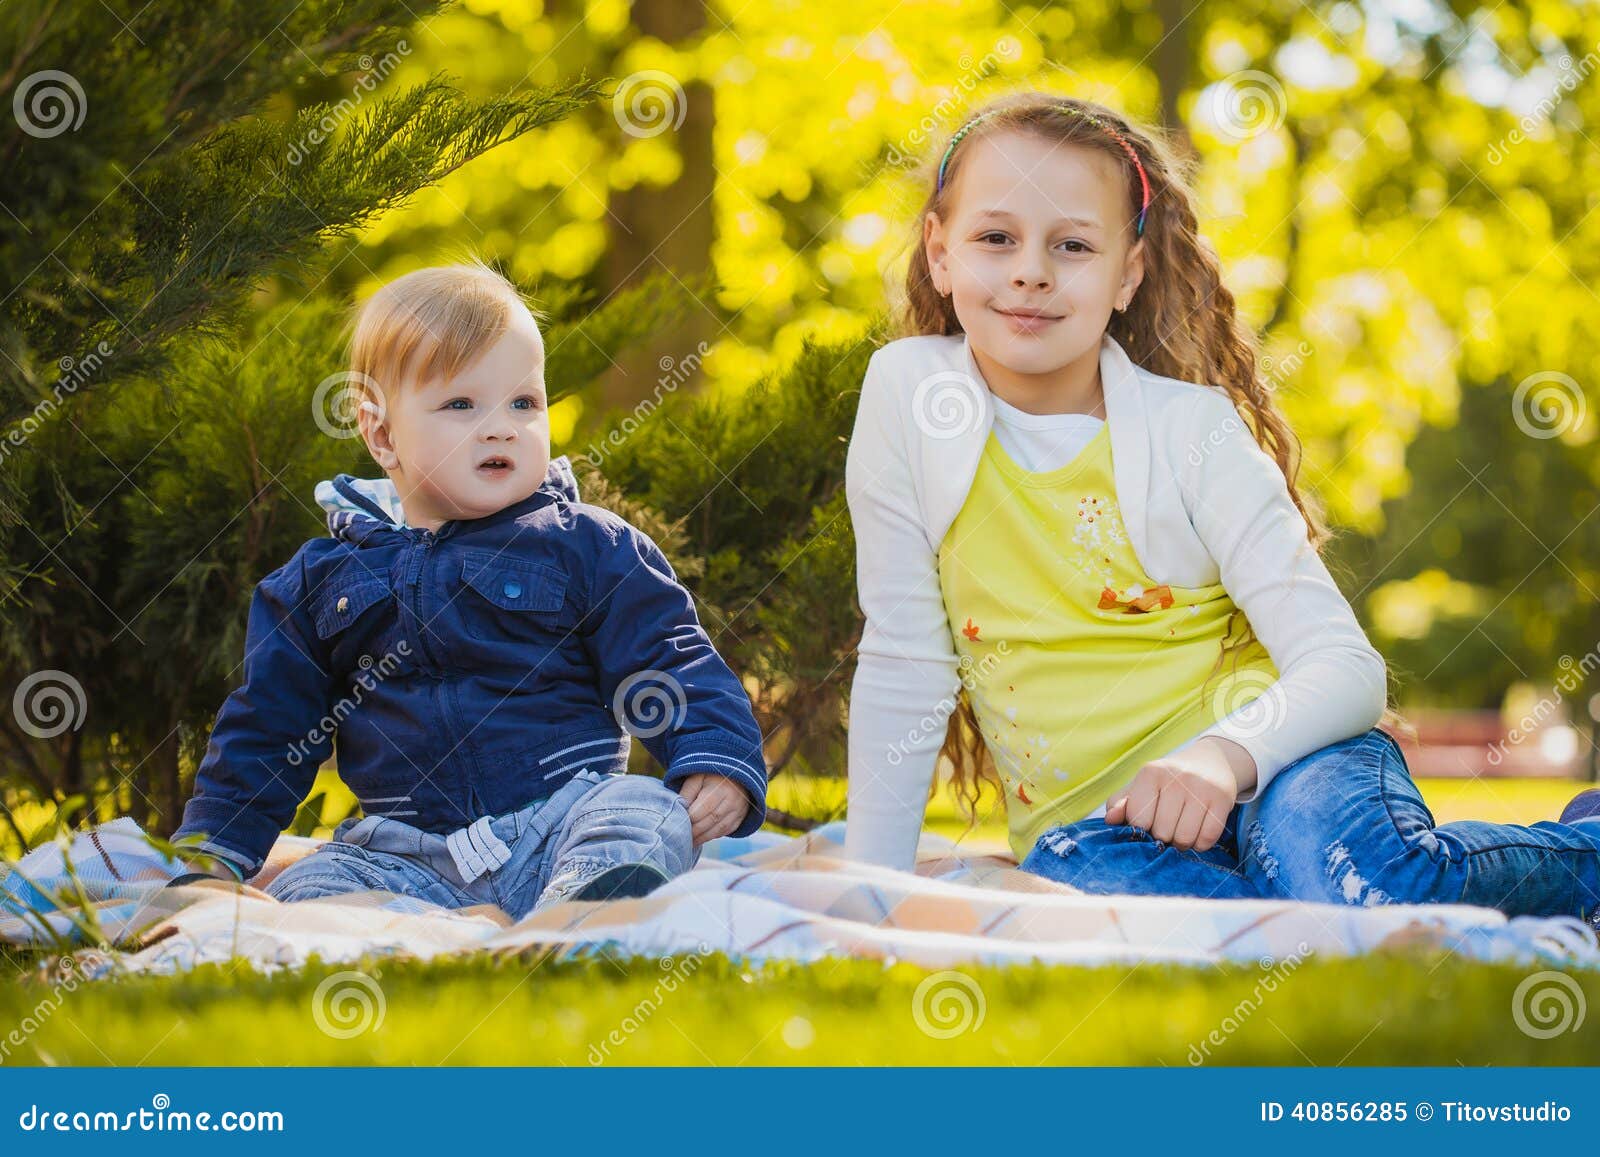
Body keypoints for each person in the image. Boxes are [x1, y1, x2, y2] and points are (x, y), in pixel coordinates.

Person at [842, 93, 1600, 930]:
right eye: (996, 238)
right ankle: (1329, 923)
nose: (1030, 270)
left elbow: (1344, 667)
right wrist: (869, 896)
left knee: (1374, 890)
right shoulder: (908, 395)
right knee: (1102, 894)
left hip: (1282, 765)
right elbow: (906, 661)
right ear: (939, 252)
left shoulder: (1190, 429)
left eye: (1072, 245)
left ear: (1127, 273)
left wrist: (1215, 760)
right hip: (1106, 830)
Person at [170, 260, 767, 917]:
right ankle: (373, 927)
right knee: (315, 885)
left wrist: (716, 755)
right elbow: (266, 724)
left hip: (561, 825)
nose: (500, 425)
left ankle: (588, 903)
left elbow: (668, 655)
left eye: (524, 401)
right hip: (403, 852)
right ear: (380, 433)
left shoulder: (583, 544)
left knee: (644, 811)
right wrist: (216, 850)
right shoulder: (323, 580)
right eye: (461, 403)